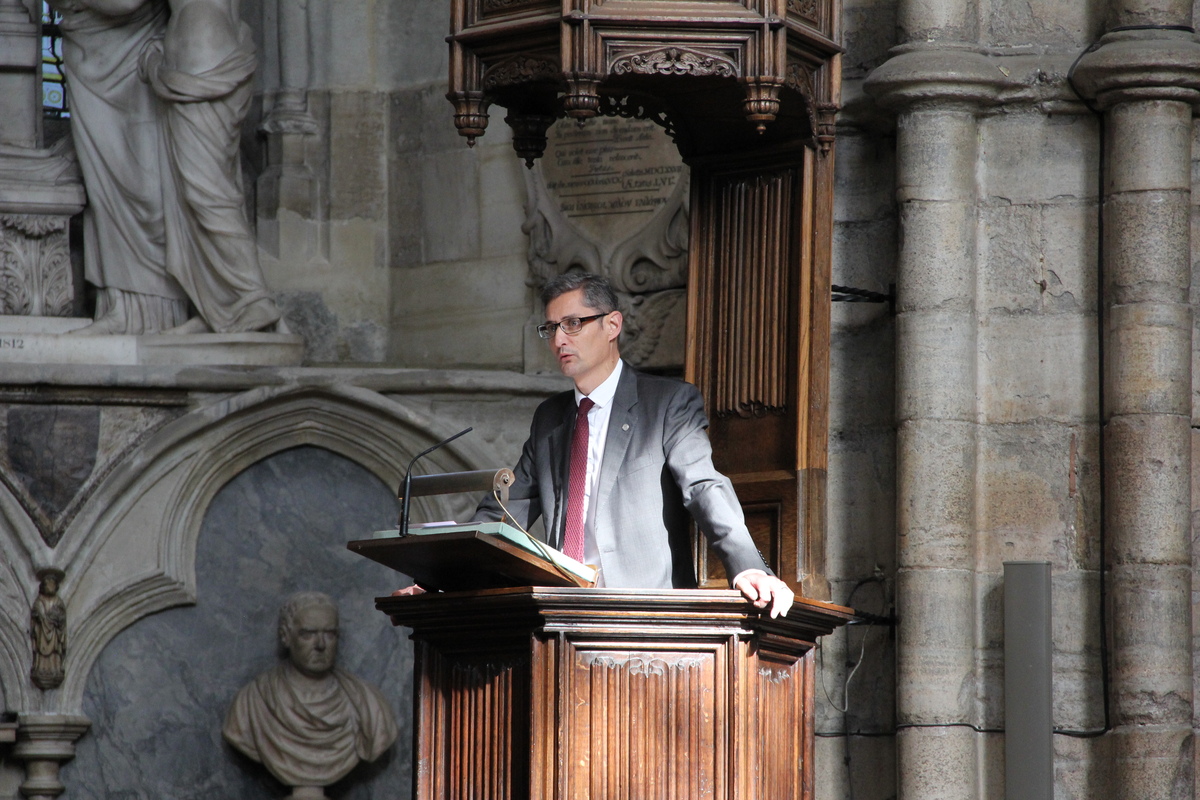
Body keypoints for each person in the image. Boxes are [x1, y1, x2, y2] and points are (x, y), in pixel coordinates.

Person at [474, 272, 793, 617]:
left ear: (612, 325)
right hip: (564, 610)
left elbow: (704, 487)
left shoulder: (667, 402)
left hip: (645, 612)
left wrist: (748, 566)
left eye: (572, 323)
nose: (559, 340)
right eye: (551, 328)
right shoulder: (549, 418)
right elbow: (507, 509)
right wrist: (442, 576)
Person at [223, 592, 397, 795]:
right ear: (286, 636)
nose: (321, 645)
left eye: (330, 634)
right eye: (308, 634)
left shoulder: (368, 704)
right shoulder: (252, 701)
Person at [30, 568, 67, 690]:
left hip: (54, 635)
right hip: (42, 635)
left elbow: (61, 616)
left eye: (53, 585)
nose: (50, 587)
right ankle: (40, 669)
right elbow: (36, 611)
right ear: (43, 586)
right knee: (42, 652)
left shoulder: (58, 601)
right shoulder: (40, 601)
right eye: (48, 584)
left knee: (55, 653)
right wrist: (40, 615)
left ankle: (55, 670)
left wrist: (57, 619)